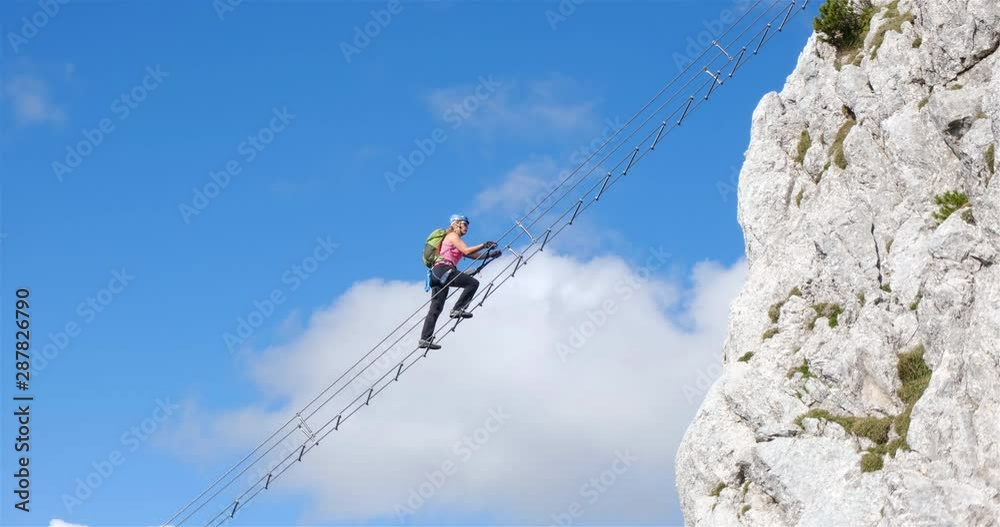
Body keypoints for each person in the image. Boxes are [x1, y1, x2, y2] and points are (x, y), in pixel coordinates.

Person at [418, 214, 499, 350]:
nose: (467, 227)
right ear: (457, 224)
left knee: (436, 308)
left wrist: (491, 254)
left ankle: (424, 339)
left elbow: (472, 255)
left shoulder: (454, 241)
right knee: (472, 283)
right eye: (465, 224)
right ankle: (457, 309)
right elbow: (467, 250)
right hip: (443, 269)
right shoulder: (452, 236)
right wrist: (484, 245)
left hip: (437, 274)